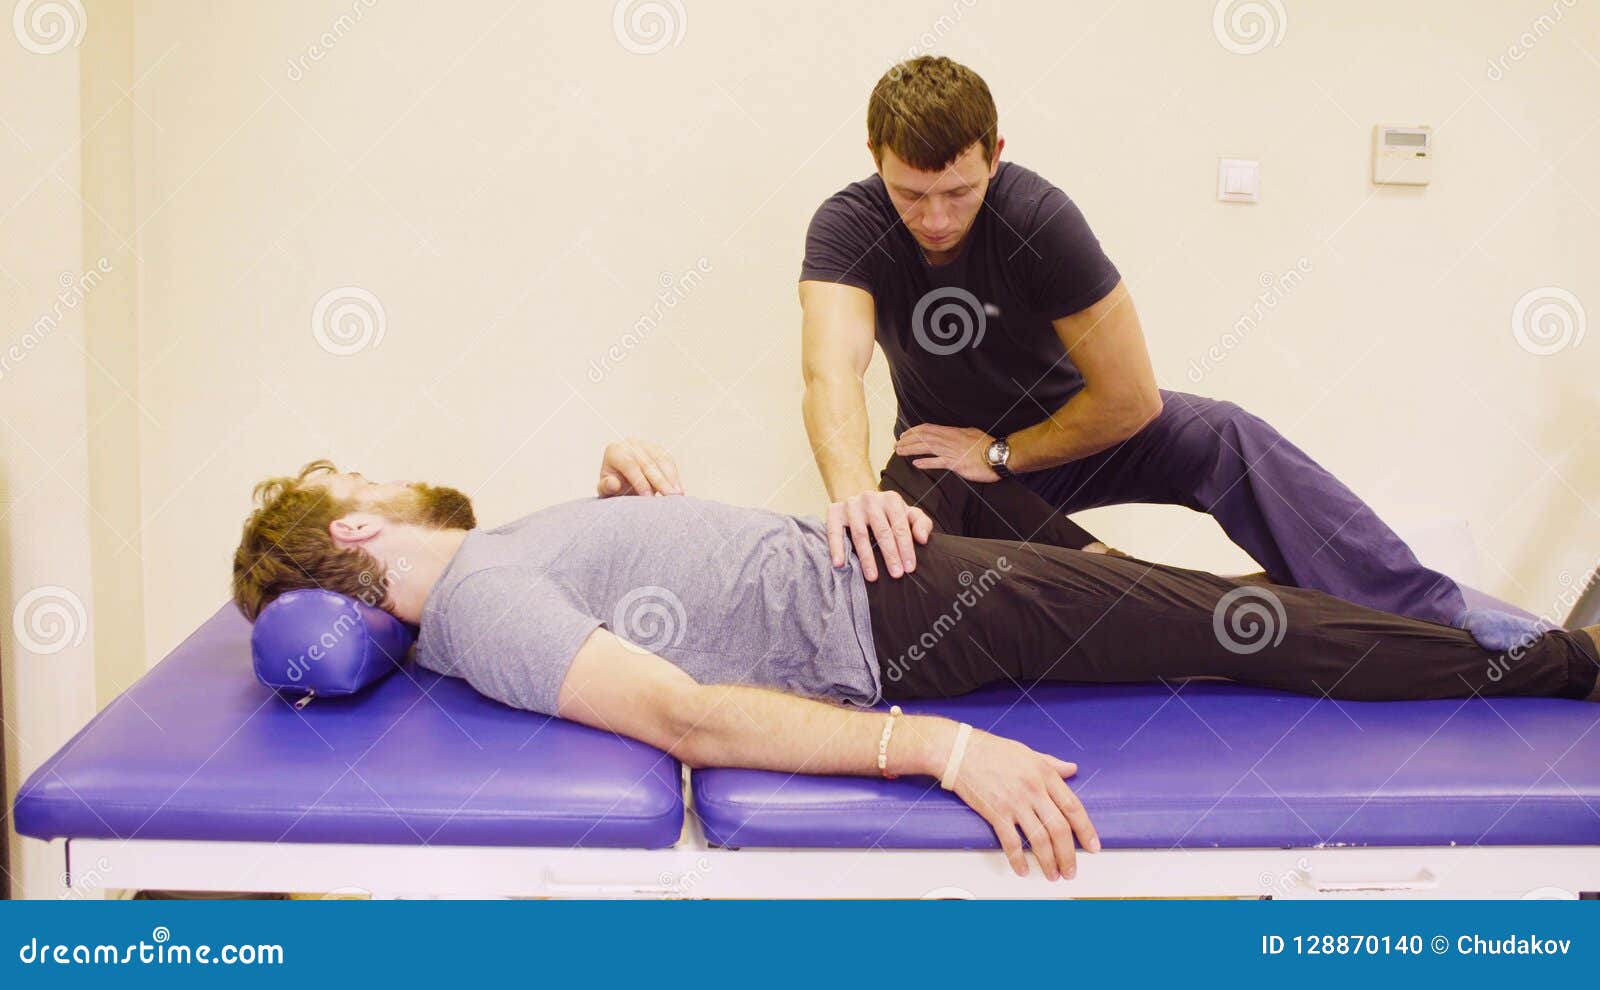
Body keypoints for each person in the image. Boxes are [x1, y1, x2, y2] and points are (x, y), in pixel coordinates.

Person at [231, 439, 1600, 883]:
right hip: (892, 613)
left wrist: (624, 508)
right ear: (352, 529)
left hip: (874, 568)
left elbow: (642, 611)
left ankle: (1444, 626)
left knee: (1188, 598)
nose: (385, 474)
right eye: (358, 479)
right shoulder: (480, 599)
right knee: (1228, 627)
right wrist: (942, 751)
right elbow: (688, 717)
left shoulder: (487, 574)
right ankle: (1561, 667)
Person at [797, 55, 1538, 653]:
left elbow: (1131, 401)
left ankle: (1433, 608)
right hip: (951, 465)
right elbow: (832, 371)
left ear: (996, 155)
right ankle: (1130, 584)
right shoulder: (848, 224)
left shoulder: (1036, 218)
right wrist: (858, 496)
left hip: (1070, 435)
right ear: (875, 160)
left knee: (1222, 432)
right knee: (897, 556)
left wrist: (1001, 452)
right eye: (911, 194)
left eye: (958, 192)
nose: (934, 218)